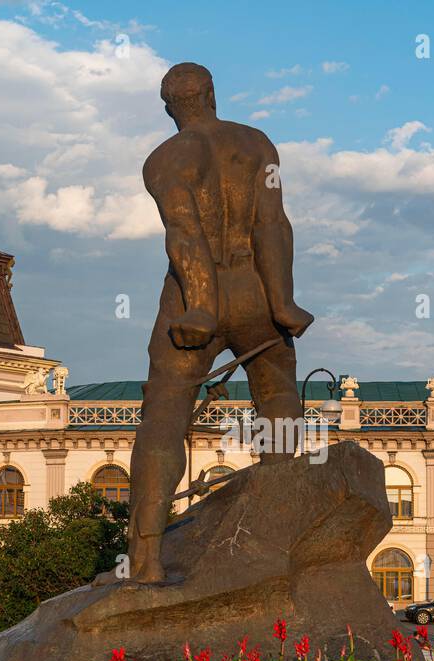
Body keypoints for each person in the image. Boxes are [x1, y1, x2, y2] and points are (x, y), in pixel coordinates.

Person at [127, 63, 315, 584]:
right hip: (255, 290)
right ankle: (277, 537)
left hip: (192, 296)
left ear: (169, 107)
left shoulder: (165, 159)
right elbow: (273, 223)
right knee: (277, 399)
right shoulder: (258, 145)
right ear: (212, 94)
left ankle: (144, 561)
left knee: (164, 415)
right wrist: (283, 303)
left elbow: (184, 231)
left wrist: (202, 306)